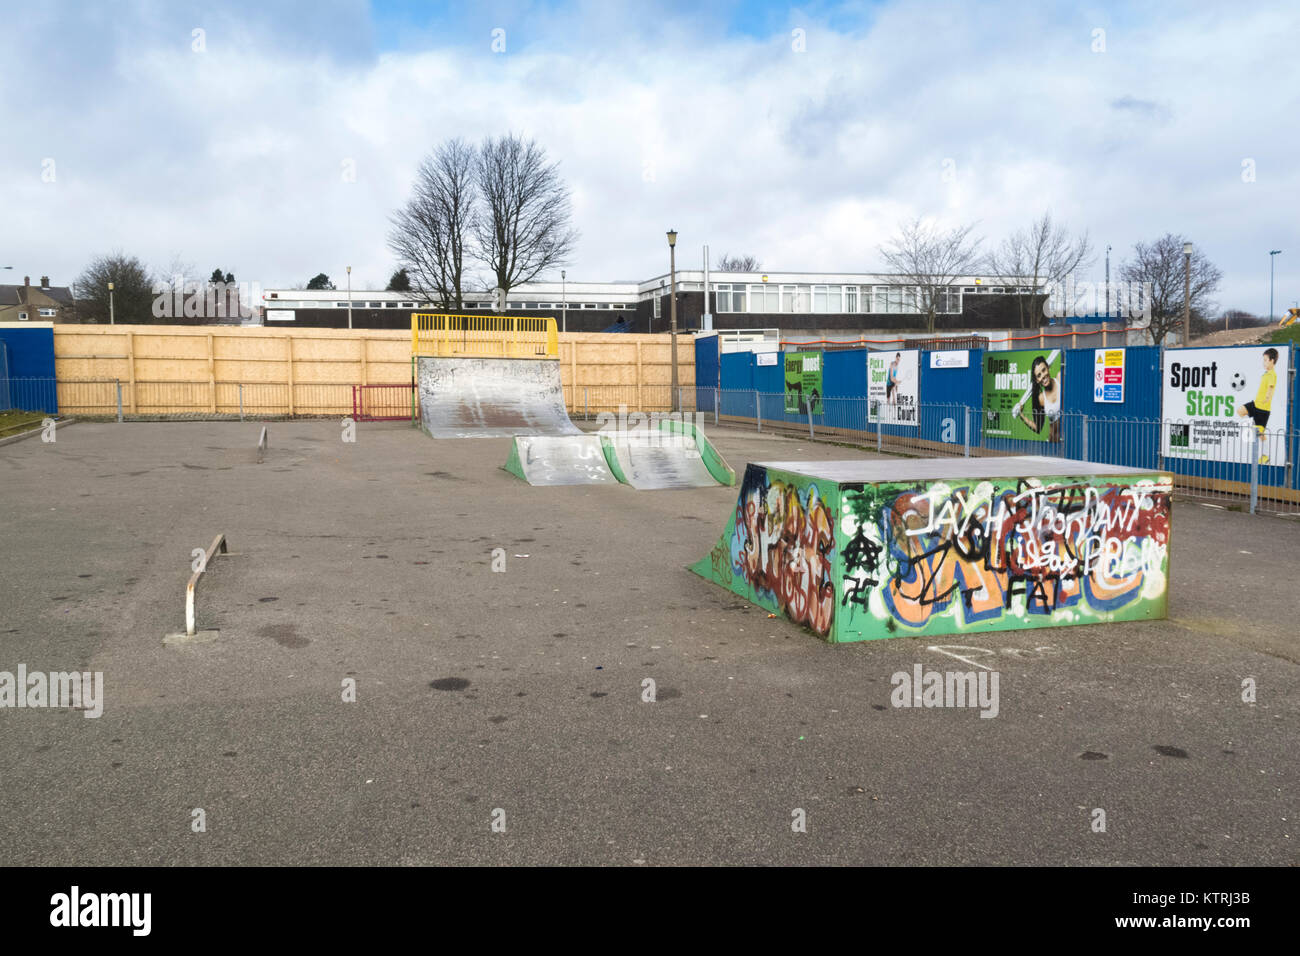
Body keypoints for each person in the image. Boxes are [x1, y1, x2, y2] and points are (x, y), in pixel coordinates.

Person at [1236, 348, 1278, 464]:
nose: (1263, 363)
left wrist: (1268, 397)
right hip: (1255, 404)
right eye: (1263, 360)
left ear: (1272, 361)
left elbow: (1270, 387)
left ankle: (1266, 455)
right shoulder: (1266, 373)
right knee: (1240, 411)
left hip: (1263, 409)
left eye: (1265, 360)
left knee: (1260, 434)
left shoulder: (1272, 375)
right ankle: (1252, 425)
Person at [1016, 355, 1062, 443]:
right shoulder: (1041, 398)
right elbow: (1038, 428)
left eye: (1044, 370)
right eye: (1039, 375)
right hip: (1053, 443)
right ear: (1037, 380)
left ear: (1048, 367)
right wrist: (1021, 415)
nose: (1043, 376)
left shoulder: (1060, 379)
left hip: (1069, 440)